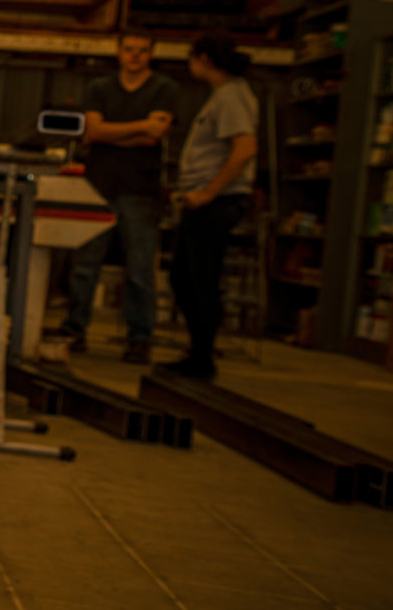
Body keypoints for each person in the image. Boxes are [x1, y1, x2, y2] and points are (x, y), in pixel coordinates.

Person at [58, 31, 176, 362]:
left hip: (141, 191)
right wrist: (138, 129)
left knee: (140, 269)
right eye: (129, 49)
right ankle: (75, 330)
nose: (135, 56)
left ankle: (140, 337)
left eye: (142, 50)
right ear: (118, 51)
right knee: (85, 266)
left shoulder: (164, 89)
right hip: (98, 187)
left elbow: (156, 136)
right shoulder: (100, 89)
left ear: (151, 53)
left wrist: (112, 133)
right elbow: (92, 131)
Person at [164, 32, 258, 379]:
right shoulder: (222, 96)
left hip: (215, 202)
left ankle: (202, 358)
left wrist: (208, 193)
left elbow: (245, 148)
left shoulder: (232, 96)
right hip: (204, 200)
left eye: (191, 58)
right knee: (184, 277)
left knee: (200, 279)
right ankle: (198, 352)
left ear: (203, 59)